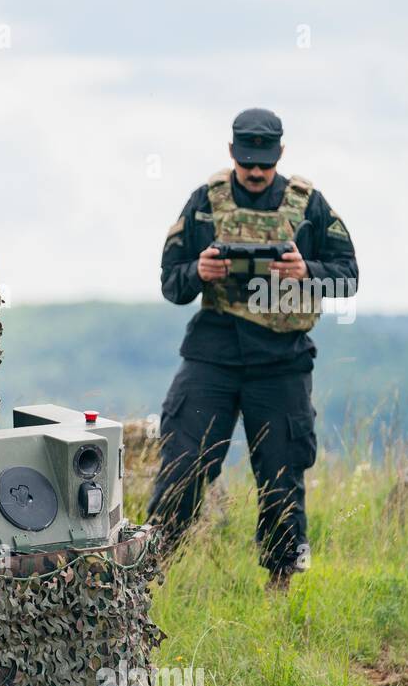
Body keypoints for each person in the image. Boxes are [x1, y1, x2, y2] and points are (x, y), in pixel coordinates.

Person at [148, 107, 358, 590]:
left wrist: (307, 272)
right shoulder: (204, 203)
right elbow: (170, 282)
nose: (257, 173)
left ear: (280, 155)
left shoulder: (310, 205)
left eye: (264, 163)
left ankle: (281, 584)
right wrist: (198, 272)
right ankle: (151, 575)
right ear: (232, 155)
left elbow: (349, 276)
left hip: (281, 361)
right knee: (183, 463)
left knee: (282, 475)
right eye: (248, 164)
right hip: (213, 355)